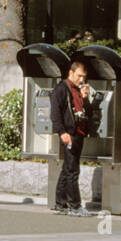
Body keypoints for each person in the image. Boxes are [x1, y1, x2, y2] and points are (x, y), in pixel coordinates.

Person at [49, 60, 93, 216]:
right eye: (79, 76)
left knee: (67, 169)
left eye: (84, 77)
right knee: (73, 170)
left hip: (78, 132)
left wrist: (85, 98)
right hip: (70, 133)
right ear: (71, 73)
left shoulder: (78, 90)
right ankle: (75, 206)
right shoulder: (61, 90)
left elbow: (87, 112)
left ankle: (60, 203)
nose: (81, 80)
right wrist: (62, 132)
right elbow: (55, 114)